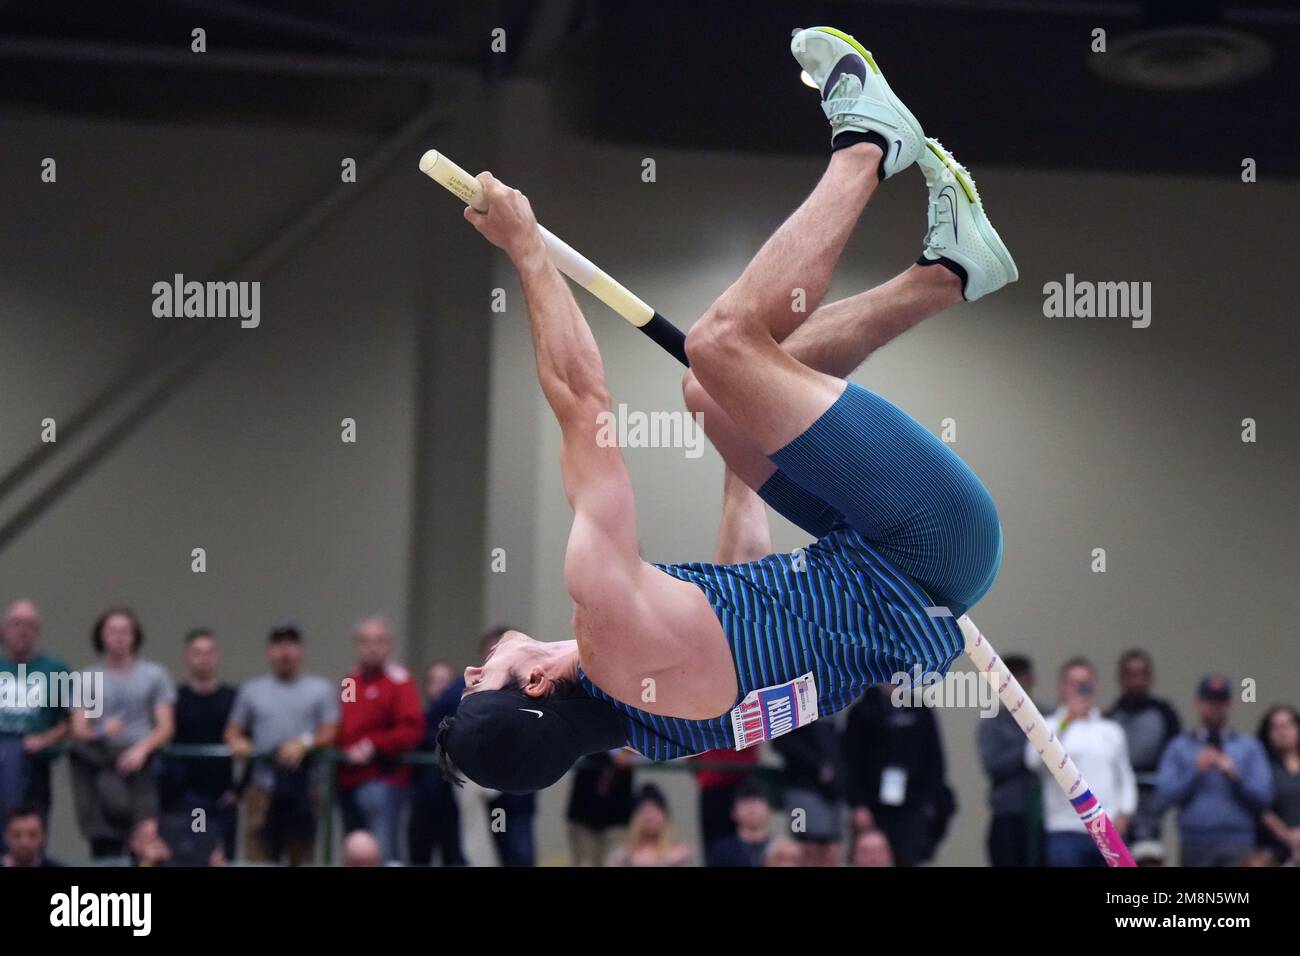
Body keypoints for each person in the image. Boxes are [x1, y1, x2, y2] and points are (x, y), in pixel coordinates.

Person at [437, 25, 1010, 795]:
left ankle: (948, 271)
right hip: (925, 541)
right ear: (534, 685)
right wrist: (527, 251)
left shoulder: (659, 728)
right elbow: (583, 404)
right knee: (721, 345)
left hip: (899, 565)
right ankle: (870, 143)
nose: (475, 667)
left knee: (715, 393)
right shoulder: (607, 623)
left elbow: (749, 578)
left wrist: (750, 446)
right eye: (484, 681)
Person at [225, 623, 338, 866]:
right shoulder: (251, 691)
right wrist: (239, 743)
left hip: (305, 788)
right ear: (269, 651)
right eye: (278, 644)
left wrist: (304, 743)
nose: (285, 651)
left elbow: (331, 731)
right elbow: (232, 731)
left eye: (291, 644)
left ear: (301, 650)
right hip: (262, 787)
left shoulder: (320, 689)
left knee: (303, 857)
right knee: (258, 857)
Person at [69, 607, 175, 859]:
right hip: (100, 762)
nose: (119, 637)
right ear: (102, 637)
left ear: (134, 636)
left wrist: (142, 749)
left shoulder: (155, 675)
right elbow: (79, 729)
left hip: (142, 765)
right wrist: (101, 730)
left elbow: (166, 727)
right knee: (105, 843)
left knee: (144, 840)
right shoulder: (86, 678)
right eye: (112, 631)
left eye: (125, 631)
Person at [1153, 675, 1272, 866]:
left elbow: (1264, 797)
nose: (1215, 706)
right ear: (1199, 703)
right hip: (1195, 841)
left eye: (1221, 700)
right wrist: (1194, 771)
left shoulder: (1248, 746)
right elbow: (1163, 797)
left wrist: (1235, 776)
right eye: (1210, 700)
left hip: (1238, 842)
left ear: (1229, 704)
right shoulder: (1180, 746)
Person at [1029, 658, 1136, 868]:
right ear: (1062, 687)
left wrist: (1125, 812)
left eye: (1085, 683)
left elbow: (1125, 776)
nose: (1080, 689)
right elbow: (1033, 761)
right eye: (1073, 683)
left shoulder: (1111, 730)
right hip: (1064, 830)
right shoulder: (1048, 726)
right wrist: (1066, 720)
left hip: (1107, 830)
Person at [337, 616, 424, 864]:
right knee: (353, 851)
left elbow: (411, 730)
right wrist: (347, 748)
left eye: (379, 641)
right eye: (365, 641)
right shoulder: (349, 681)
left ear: (389, 645)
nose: (372, 647)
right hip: (348, 780)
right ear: (357, 645)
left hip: (384, 780)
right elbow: (344, 724)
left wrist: (373, 745)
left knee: (384, 851)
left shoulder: (401, 681)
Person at [844, 682, 955, 866]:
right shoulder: (862, 711)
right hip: (873, 804)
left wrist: (928, 800)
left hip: (912, 802)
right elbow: (850, 760)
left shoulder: (919, 709)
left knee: (910, 855)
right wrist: (858, 804)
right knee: (873, 855)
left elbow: (934, 758)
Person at [162, 628, 238, 860]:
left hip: (225, 797)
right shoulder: (175, 700)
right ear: (187, 656)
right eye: (198, 652)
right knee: (198, 854)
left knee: (227, 856)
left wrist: (239, 789)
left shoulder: (233, 698)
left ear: (217, 657)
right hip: (191, 799)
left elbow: (248, 744)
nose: (204, 658)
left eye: (209, 652)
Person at [0, 599, 70, 834]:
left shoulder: (57, 671)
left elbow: (71, 722)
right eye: (16, 624)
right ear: (4, 629)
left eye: (29, 625)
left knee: (28, 834)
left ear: (38, 632)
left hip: (34, 761)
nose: (22, 631)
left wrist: (44, 740)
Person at [1106, 649, 1181, 845]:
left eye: (1141, 674)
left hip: (1151, 801)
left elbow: (1175, 758)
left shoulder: (1165, 714)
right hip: (1117, 802)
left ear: (1150, 677)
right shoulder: (1110, 719)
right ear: (1121, 679)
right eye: (1131, 675)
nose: (1136, 681)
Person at [977, 654, 1043, 866]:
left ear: (1030, 679)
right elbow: (993, 764)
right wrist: (1030, 748)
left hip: (1045, 815)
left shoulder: (1047, 717)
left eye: (1018, 678)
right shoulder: (992, 721)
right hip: (1008, 813)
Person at [409, 661, 466, 866]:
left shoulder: (466, 725)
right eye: (436, 681)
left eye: (447, 682)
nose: (442, 687)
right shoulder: (417, 723)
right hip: (423, 800)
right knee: (419, 854)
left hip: (455, 802)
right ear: (426, 688)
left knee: (454, 856)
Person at [565, 749, 635, 866]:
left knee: (613, 861)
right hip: (583, 817)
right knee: (584, 861)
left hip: (616, 819)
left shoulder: (627, 757)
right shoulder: (592, 754)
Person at [604, 784, 692, 867]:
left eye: (656, 811)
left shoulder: (679, 854)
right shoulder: (621, 856)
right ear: (635, 818)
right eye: (645, 812)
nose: (650, 817)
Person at [1257, 704, 1300, 864]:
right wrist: (1289, 837)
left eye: (1288, 725)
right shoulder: (1262, 768)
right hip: (1274, 847)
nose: (1283, 732)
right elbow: (1261, 809)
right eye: (1276, 727)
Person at [705, 781, 773, 867]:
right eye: (745, 803)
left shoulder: (781, 849)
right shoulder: (722, 851)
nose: (751, 808)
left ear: (769, 810)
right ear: (733, 813)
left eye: (757, 801)